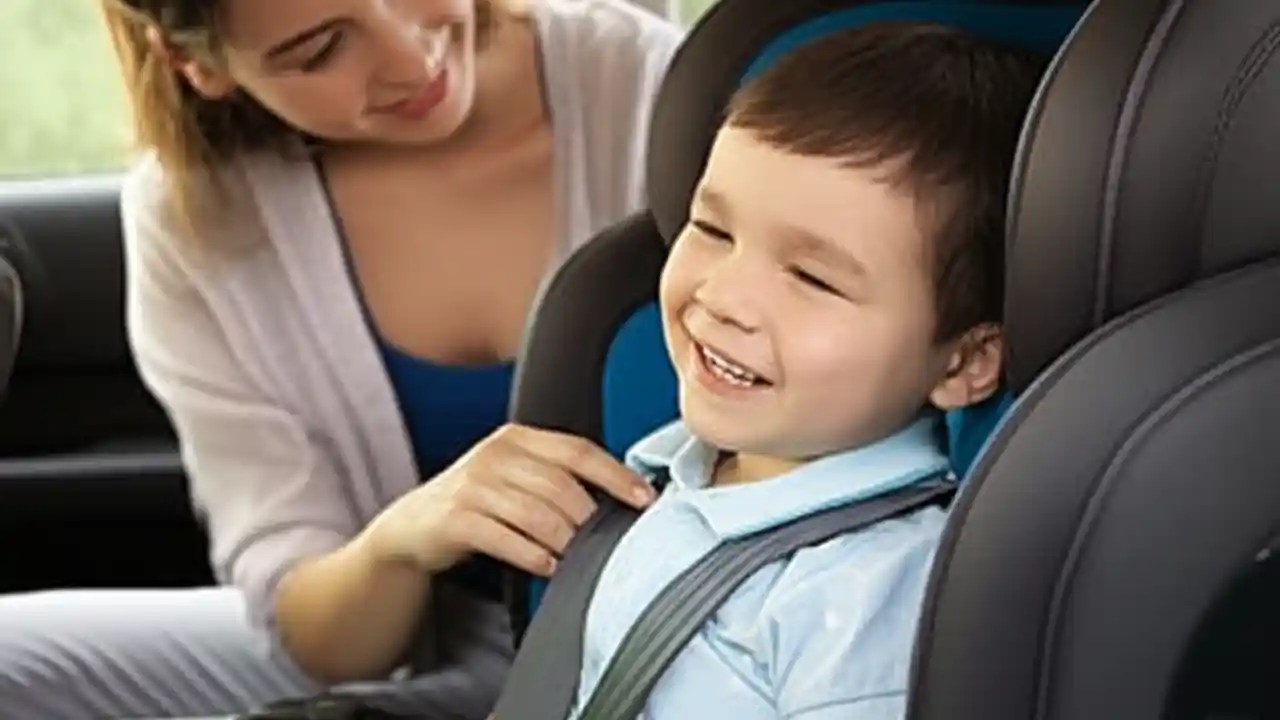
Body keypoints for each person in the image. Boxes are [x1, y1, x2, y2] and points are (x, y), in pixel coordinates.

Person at [0, 1, 680, 718]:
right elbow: (316, 634)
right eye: (320, 51)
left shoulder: (650, 91)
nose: (412, 59)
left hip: (678, 634)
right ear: (198, 64)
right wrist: (404, 540)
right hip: (450, 643)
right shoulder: (197, 218)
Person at [566, 23, 1046, 718]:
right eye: (713, 230)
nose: (724, 298)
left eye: (813, 279)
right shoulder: (670, 465)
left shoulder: (870, 597)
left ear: (965, 361)